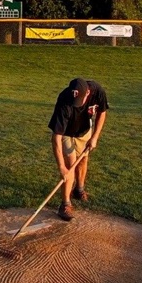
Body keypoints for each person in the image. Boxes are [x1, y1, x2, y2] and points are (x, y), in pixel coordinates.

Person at [47, 77, 110, 221]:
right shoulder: (64, 100)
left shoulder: (97, 91)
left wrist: (94, 137)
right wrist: (62, 167)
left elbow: (102, 112)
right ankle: (65, 204)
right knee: (70, 164)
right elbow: (56, 137)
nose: (76, 103)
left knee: (83, 159)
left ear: (88, 92)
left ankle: (79, 189)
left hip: (84, 131)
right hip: (67, 133)